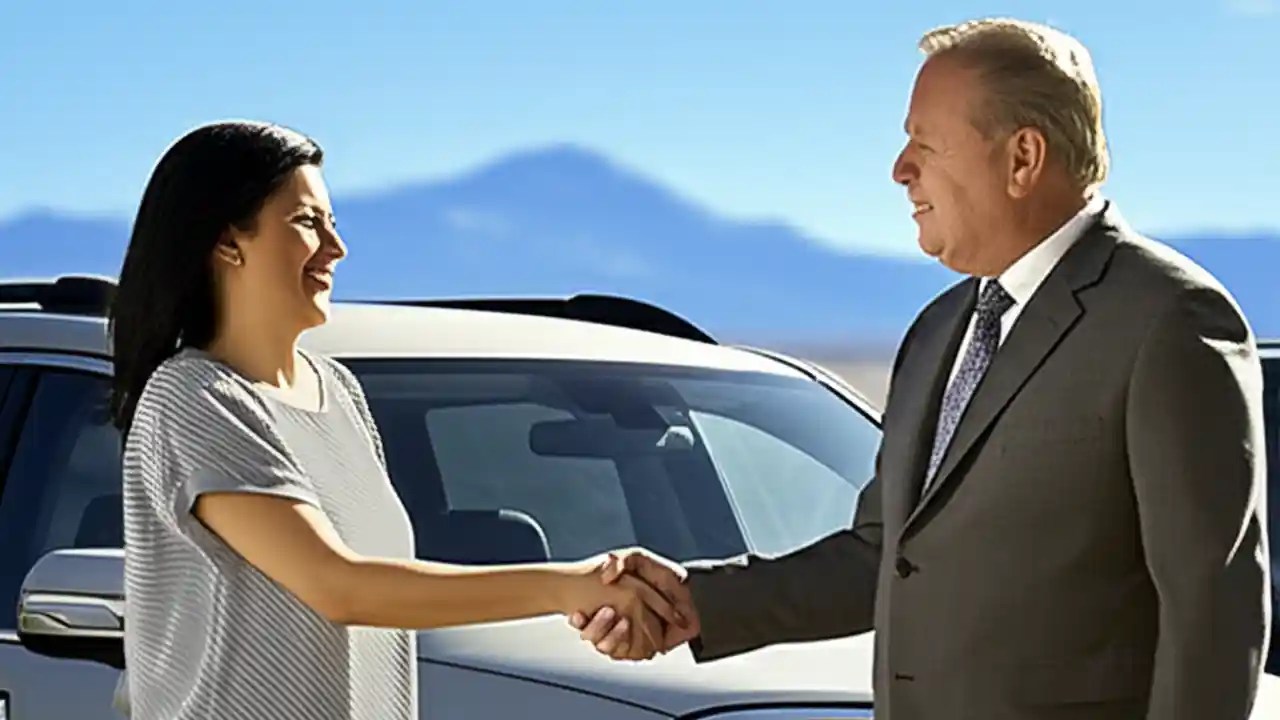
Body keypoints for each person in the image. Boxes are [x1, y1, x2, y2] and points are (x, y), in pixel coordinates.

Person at [572, 17, 1271, 720]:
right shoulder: (940, 329)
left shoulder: (1168, 320)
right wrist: (691, 604)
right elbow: (885, 556)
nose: (900, 169)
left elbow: (1213, 605)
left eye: (924, 145)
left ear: (1023, 158)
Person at [107, 120, 683, 720]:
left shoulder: (340, 395)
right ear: (228, 241)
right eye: (308, 222)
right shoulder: (194, 398)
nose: (337, 247)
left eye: (333, 223)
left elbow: (385, 592)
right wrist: (569, 585)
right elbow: (340, 586)